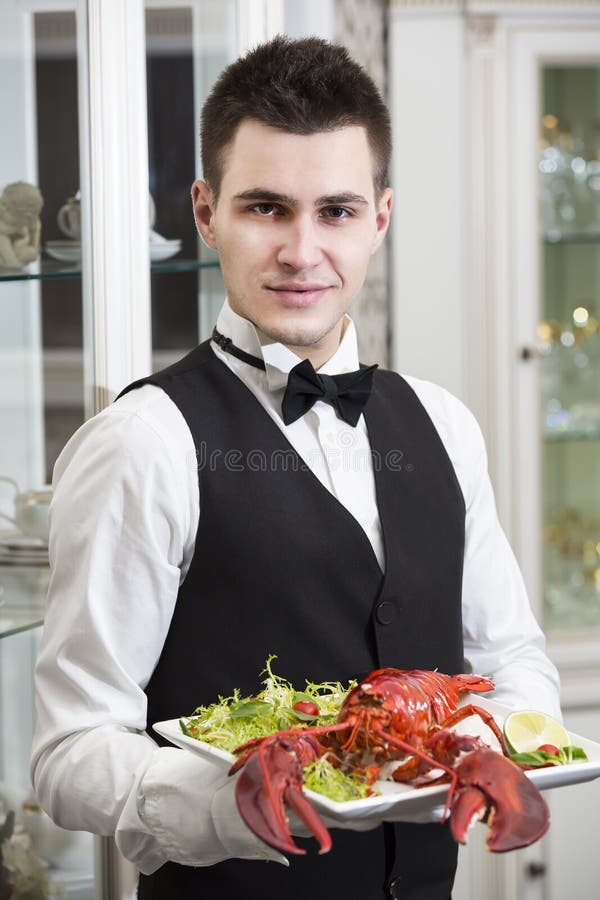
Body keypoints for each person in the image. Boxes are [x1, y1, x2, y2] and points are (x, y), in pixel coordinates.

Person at [31, 36, 560, 900]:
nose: (302, 250)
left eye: (337, 211)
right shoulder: (142, 441)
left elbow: (514, 664)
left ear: (381, 217)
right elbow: (70, 753)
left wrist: (491, 748)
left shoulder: (447, 425)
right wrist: (223, 808)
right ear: (206, 213)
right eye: (267, 208)